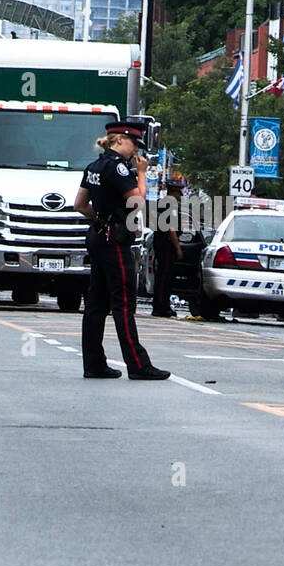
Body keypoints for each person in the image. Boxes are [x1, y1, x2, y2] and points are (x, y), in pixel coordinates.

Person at [75, 121, 171, 381]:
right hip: (114, 241)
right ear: (118, 140)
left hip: (98, 236)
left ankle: (93, 363)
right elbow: (137, 200)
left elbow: (80, 204)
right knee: (123, 303)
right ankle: (138, 365)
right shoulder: (117, 167)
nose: (135, 151)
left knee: (96, 304)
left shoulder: (94, 166)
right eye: (133, 144)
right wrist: (141, 173)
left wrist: (101, 220)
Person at [150, 178, 186, 317]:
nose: (180, 195)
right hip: (166, 243)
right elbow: (170, 228)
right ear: (175, 191)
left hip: (161, 241)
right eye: (179, 191)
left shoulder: (162, 203)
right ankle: (160, 307)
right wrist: (177, 247)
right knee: (164, 276)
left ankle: (162, 305)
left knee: (163, 275)